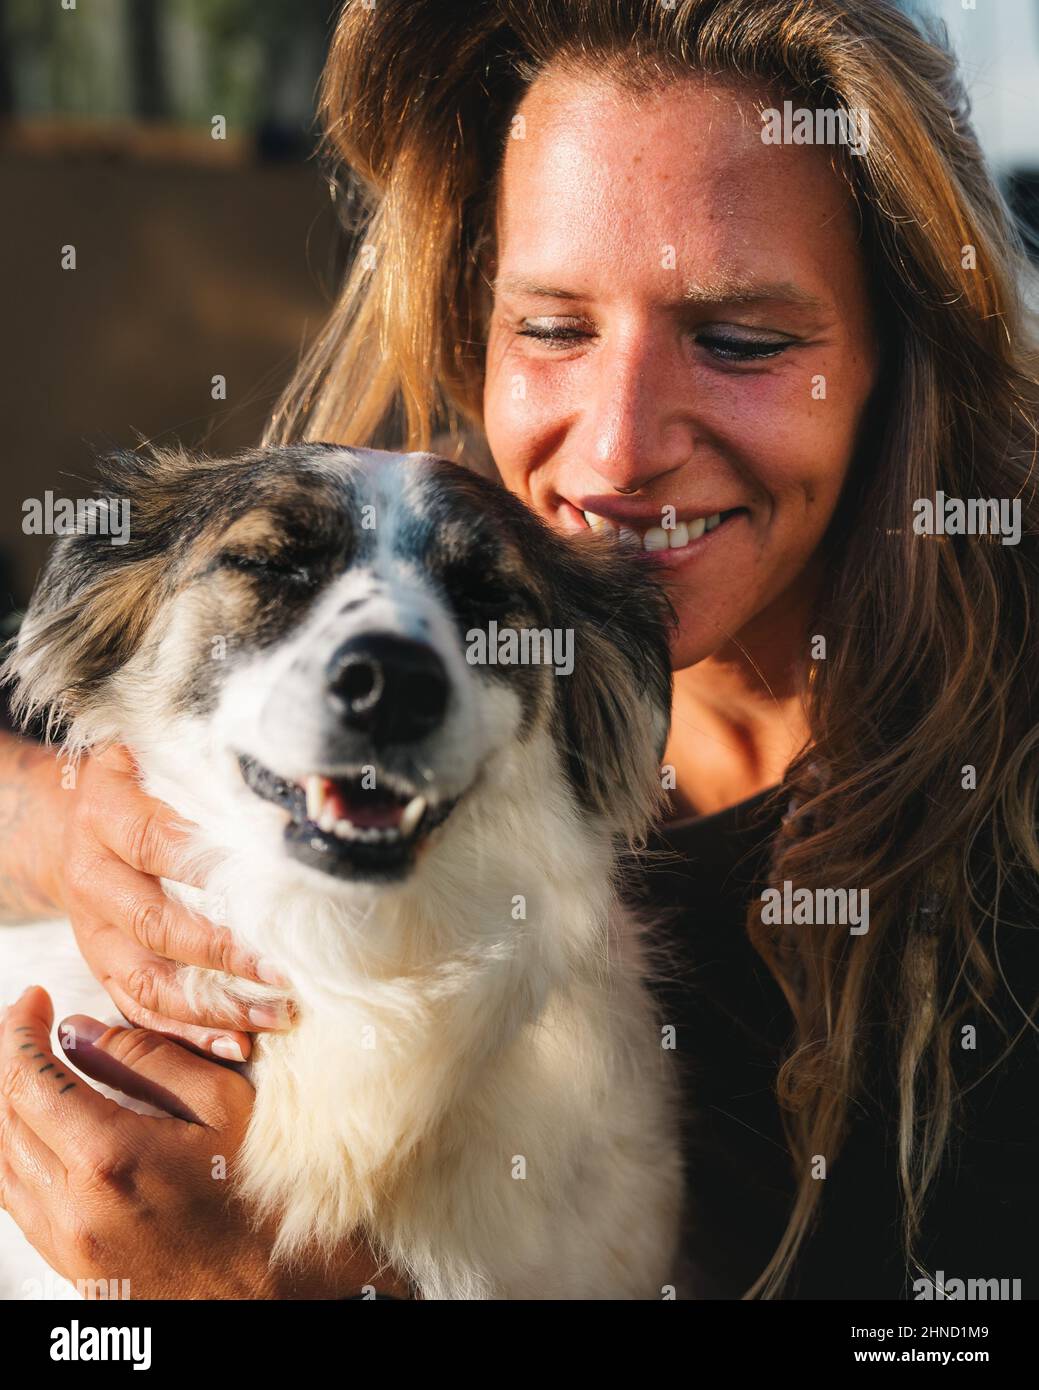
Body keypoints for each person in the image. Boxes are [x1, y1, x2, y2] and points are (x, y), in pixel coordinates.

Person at [1, 0, 1037, 1300]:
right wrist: (54, 821)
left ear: (908, 350)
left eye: (741, 341)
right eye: (552, 326)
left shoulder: (1004, 872)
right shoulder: (407, 558)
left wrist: (285, 1295)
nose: (613, 454)